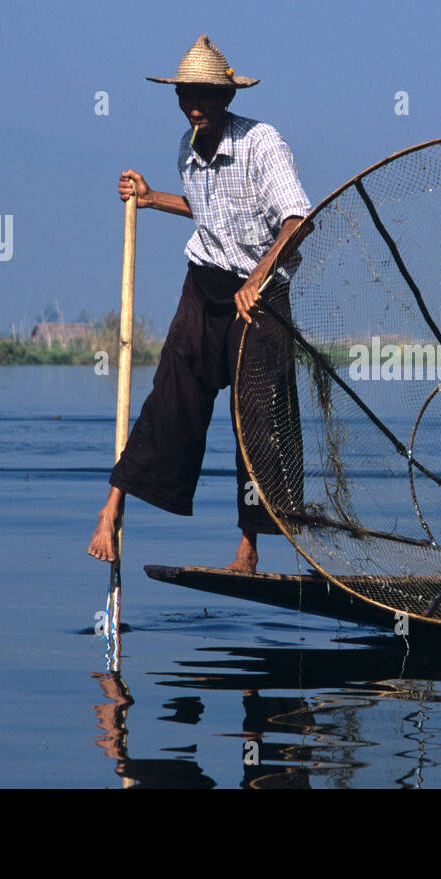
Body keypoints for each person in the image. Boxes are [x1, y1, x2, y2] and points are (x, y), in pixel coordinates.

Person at [87, 34, 310, 573]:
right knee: (171, 394)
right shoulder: (187, 148)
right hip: (205, 287)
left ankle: (248, 547)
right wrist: (150, 197)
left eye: (205, 96)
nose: (194, 106)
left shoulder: (263, 145)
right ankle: (112, 507)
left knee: (255, 415)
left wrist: (257, 277)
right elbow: (207, 212)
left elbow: (297, 218)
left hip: (262, 297)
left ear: (227, 98)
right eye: (187, 95)